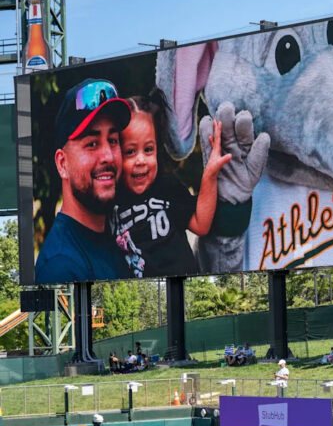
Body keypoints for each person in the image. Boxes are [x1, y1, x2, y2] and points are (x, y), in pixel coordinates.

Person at [113, 91, 230, 278]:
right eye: (130, 151)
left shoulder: (167, 186)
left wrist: (210, 175)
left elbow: (201, 224)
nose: (141, 160)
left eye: (148, 149)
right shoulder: (111, 201)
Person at [35, 79, 133, 283]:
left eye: (113, 140)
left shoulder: (111, 234)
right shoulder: (61, 267)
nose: (108, 155)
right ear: (62, 164)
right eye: (92, 143)